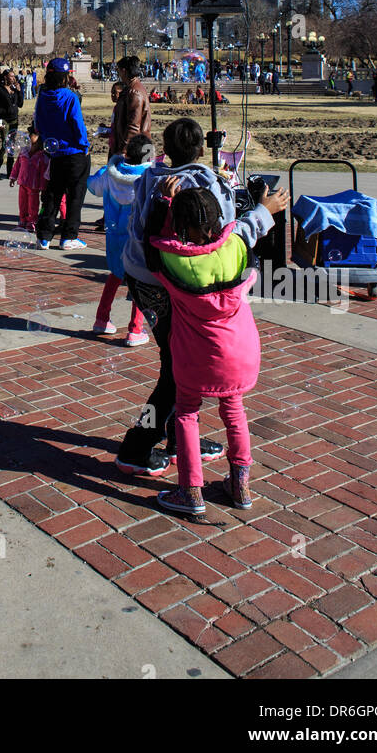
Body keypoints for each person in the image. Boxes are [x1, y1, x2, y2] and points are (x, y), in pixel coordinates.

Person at [116, 117, 274, 477]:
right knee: (177, 370)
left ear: (166, 149)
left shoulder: (149, 179)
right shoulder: (207, 182)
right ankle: (138, 445)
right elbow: (225, 237)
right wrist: (261, 213)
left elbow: (141, 231)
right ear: (202, 148)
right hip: (179, 283)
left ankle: (178, 438)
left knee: (176, 363)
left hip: (143, 281)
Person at [148, 179, 283, 518]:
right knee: (234, 411)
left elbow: (151, 241)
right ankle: (240, 485)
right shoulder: (236, 247)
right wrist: (262, 210)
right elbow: (248, 230)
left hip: (195, 357)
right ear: (219, 220)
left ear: (180, 228)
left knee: (187, 413)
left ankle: (190, 490)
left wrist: (164, 201)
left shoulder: (172, 259)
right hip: (240, 353)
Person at [87, 134, 153, 345]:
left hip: (114, 236)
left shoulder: (109, 174)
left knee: (115, 275)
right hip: (138, 239)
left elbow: (92, 186)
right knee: (139, 281)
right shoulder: (149, 178)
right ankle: (135, 329)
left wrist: (106, 166)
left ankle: (101, 318)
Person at [33, 57, 91, 250]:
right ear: (64, 77)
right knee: (75, 195)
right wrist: (85, 144)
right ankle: (69, 236)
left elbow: (38, 124)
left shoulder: (42, 95)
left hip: (55, 151)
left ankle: (44, 236)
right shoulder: (69, 97)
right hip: (74, 152)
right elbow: (77, 125)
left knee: (53, 194)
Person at [9, 126, 66, 231]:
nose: (30, 136)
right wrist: (13, 177)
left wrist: (44, 186)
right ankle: (22, 220)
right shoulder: (24, 151)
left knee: (33, 205)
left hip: (34, 185)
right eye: (30, 134)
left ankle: (32, 221)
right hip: (22, 182)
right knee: (22, 203)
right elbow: (17, 165)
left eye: (33, 134)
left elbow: (44, 173)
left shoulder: (42, 156)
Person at [0, 69, 24, 180]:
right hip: (4, 121)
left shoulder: (14, 89)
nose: (13, 78)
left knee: (11, 146)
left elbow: (20, 104)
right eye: (11, 76)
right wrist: (3, 111)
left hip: (14, 120)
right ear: (5, 77)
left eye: (14, 76)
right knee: (5, 144)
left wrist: (19, 91)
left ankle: (10, 172)